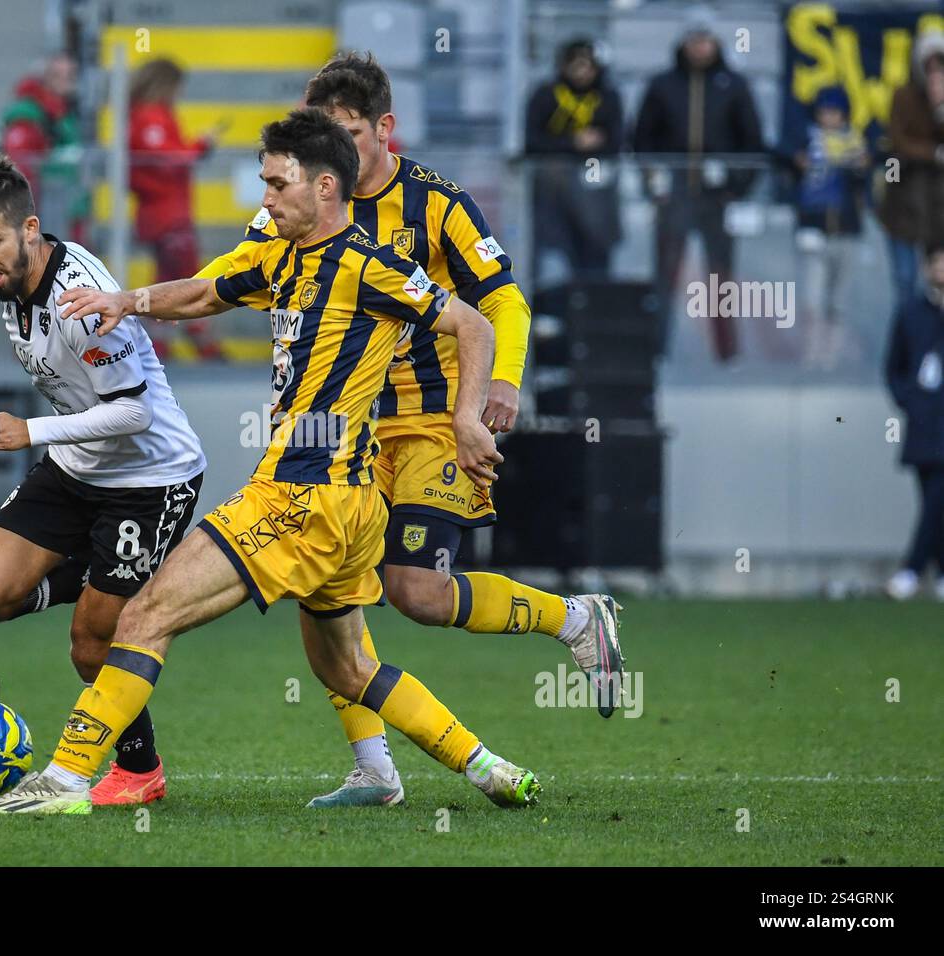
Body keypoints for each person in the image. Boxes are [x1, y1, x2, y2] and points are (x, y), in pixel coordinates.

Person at [0, 109, 543, 816]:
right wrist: (127, 299)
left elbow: (474, 322)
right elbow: (208, 292)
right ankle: (490, 770)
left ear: (325, 187)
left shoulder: (369, 266)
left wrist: (463, 416)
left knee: (146, 614)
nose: (263, 198)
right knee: (348, 667)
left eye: (276, 184)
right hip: (350, 502)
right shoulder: (284, 254)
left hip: (304, 493)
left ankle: (65, 779)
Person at [200, 52, 623, 809]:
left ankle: (576, 618)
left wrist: (498, 387)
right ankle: (374, 769)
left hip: (430, 424)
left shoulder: (437, 203)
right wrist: (141, 302)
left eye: (350, 133)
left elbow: (505, 303)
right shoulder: (292, 203)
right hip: (336, 433)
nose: (331, 151)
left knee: (418, 593)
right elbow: (232, 275)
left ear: (385, 129)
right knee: (327, 598)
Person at [0, 155, 207, 804]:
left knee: (92, 643)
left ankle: (140, 770)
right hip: (77, 469)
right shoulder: (12, 289)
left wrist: (24, 431)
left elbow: (134, 411)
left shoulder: (78, 300)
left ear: (29, 229)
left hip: (150, 478)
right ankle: (98, 576)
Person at [633, 9, 764, 361]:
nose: (700, 47)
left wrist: (735, 186)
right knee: (665, 277)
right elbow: (641, 139)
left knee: (720, 279)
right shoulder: (663, 85)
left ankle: (726, 355)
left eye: (705, 39)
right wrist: (654, 181)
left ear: (715, 42)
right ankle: (657, 351)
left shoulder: (734, 86)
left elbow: (753, 143)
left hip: (716, 200)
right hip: (673, 197)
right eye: (694, 39)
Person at [129, 58, 228, 360]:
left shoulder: (149, 116)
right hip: (166, 217)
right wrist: (200, 146)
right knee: (191, 284)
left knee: (167, 285)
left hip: (165, 216)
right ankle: (208, 353)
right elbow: (168, 159)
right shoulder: (150, 117)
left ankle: (156, 353)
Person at [524, 37, 624, 281]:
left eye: (587, 66)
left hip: (596, 196)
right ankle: (549, 311)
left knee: (594, 255)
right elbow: (531, 141)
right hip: (552, 195)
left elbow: (618, 140)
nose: (581, 72)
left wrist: (594, 144)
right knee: (553, 255)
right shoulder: (547, 95)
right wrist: (572, 143)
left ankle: (594, 307)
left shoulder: (608, 97)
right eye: (575, 65)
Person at [791, 86, 869, 368]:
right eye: (824, 111)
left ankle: (831, 358)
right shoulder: (806, 139)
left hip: (846, 230)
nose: (829, 118)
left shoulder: (855, 142)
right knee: (812, 300)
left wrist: (862, 166)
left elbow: (878, 175)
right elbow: (781, 158)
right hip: (814, 228)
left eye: (834, 112)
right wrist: (797, 163)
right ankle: (810, 354)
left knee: (838, 302)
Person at [884, 243, 944, 601]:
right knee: (932, 501)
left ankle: (910, 570)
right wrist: (911, 402)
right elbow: (894, 369)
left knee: (938, 496)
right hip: (924, 424)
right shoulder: (910, 313)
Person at [878, 30, 944, 310]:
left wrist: (940, 108)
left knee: (936, 284)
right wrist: (933, 154)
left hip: (938, 213)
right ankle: (905, 345)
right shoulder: (903, 96)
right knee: (905, 283)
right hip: (903, 208)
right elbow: (897, 144)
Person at [0, 51, 89, 244]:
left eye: (71, 75)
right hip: (45, 205)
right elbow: (21, 161)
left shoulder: (62, 111)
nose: (66, 82)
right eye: (58, 75)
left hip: (64, 204)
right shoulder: (30, 113)